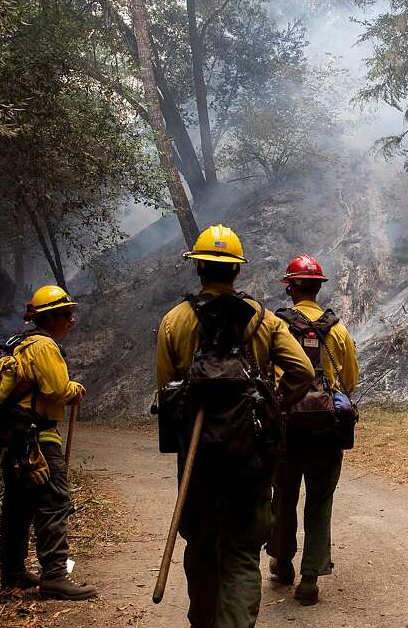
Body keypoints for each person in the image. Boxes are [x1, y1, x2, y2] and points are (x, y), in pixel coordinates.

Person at [155, 224, 314, 628]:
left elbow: (166, 392)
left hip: (198, 463)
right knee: (242, 554)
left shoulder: (174, 321)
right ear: (237, 272)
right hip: (250, 459)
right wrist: (273, 405)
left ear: (199, 270)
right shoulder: (263, 320)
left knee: (202, 548)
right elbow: (302, 371)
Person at [267, 254, 359, 606]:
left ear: (290, 287)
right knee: (320, 502)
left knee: (284, 497)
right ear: (318, 289)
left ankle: (282, 561)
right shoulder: (338, 330)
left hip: (286, 430)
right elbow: (348, 381)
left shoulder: (275, 328)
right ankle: (310, 579)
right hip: (326, 430)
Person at [0, 284, 96, 600]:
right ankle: (54, 575)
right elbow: (55, 390)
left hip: (17, 438)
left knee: (18, 506)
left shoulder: (22, 344)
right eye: (67, 314)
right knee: (54, 502)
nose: (71, 320)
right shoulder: (44, 346)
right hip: (39, 439)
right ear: (51, 317)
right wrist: (75, 389)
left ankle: (12, 572)